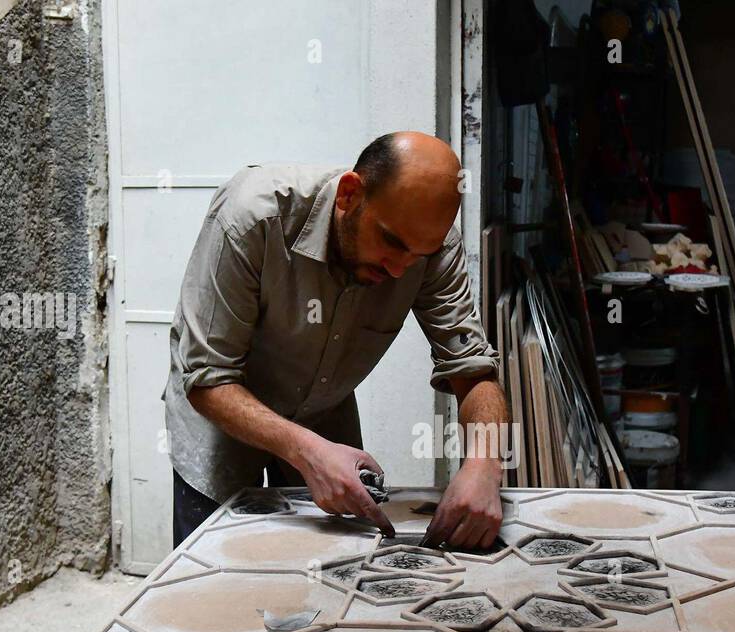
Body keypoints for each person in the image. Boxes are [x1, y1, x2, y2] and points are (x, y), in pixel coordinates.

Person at [165, 131, 509, 550]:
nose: (401, 269)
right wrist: (309, 453)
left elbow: (472, 370)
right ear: (349, 195)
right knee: (218, 584)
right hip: (222, 424)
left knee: (331, 582)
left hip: (324, 416)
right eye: (391, 242)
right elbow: (206, 377)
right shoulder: (252, 218)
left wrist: (484, 464)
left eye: (418, 255)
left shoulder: (430, 247)